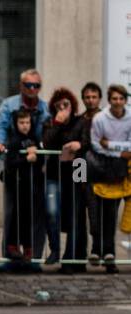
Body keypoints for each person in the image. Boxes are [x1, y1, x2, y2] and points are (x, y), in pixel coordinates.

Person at [0, 69, 51, 261]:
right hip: (15, 169)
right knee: (12, 212)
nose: (33, 89)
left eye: (37, 85)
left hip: (36, 171)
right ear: (21, 86)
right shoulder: (9, 105)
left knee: (36, 214)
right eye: (29, 85)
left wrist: (40, 149)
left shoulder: (45, 108)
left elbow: (48, 134)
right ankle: (10, 255)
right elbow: (1, 128)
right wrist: (0, 144)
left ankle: (32, 255)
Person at [42, 87, 88, 272]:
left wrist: (79, 144)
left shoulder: (81, 121)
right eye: (58, 104)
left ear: (72, 104)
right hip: (55, 171)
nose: (62, 107)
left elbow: (86, 141)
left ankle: (73, 258)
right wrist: (58, 124)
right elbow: (46, 142)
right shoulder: (50, 122)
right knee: (52, 211)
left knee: (76, 213)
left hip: (78, 168)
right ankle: (55, 249)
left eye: (66, 104)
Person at [89, 84, 131, 273]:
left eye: (121, 98)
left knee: (112, 214)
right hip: (95, 168)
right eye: (114, 98)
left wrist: (112, 146)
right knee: (95, 214)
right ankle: (96, 250)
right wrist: (120, 151)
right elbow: (95, 144)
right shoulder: (98, 119)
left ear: (125, 100)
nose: (117, 102)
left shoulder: (129, 118)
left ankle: (109, 254)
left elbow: (129, 147)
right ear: (109, 100)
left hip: (122, 171)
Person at [0, 109, 45, 271]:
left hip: (32, 184)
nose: (25, 126)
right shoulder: (13, 140)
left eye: (27, 122)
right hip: (16, 183)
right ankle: (12, 246)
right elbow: (10, 162)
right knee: (14, 216)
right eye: (21, 123)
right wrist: (27, 158)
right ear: (16, 124)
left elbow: (41, 157)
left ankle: (28, 248)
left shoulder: (35, 138)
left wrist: (36, 155)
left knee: (28, 217)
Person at [80, 82, 104, 266]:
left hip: (104, 172)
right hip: (82, 171)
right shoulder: (80, 120)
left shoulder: (107, 118)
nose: (91, 100)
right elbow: (77, 150)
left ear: (99, 98)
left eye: (94, 97)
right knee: (85, 213)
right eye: (87, 97)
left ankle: (101, 250)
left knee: (104, 214)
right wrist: (77, 178)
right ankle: (81, 254)